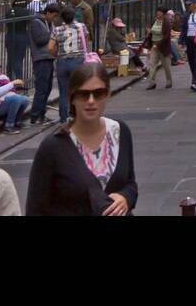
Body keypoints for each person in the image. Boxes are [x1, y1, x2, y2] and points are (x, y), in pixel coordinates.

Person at [26, 63, 137, 215]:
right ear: (72, 97)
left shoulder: (120, 132)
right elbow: (35, 208)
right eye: (83, 94)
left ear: (108, 94)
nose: (91, 101)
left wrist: (125, 198)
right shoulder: (53, 146)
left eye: (98, 93)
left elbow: (130, 183)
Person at [50, 6, 87, 124]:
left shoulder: (56, 29)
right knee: (78, 90)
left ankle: (63, 118)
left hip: (62, 61)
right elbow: (85, 39)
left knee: (64, 92)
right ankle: (77, 114)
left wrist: (57, 54)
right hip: (78, 60)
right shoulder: (81, 27)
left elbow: (50, 47)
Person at [26, 1, 58, 125]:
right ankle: (35, 116)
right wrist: (52, 35)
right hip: (41, 59)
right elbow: (39, 40)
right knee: (41, 88)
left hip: (48, 58)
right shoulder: (36, 22)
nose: (54, 19)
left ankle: (42, 114)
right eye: (54, 16)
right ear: (48, 13)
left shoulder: (49, 24)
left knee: (48, 87)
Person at [145, 5, 175, 90]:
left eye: (160, 12)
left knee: (166, 65)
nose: (158, 13)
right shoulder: (154, 21)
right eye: (157, 11)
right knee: (152, 64)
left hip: (163, 46)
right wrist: (148, 32)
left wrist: (158, 45)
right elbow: (151, 32)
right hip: (154, 45)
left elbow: (166, 36)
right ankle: (152, 82)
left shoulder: (166, 22)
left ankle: (169, 81)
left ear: (163, 13)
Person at [5, 0, 32, 82]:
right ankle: (18, 80)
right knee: (18, 59)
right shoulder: (26, 11)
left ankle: (9, 79)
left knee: (10, 59)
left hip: (10, 36)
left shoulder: (9, 11)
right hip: (21, 36)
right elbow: (29, 24)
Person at [183, 0, 196, 92]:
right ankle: (194, 78)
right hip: (189, 40)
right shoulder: (187, 16)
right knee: (191, 61)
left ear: (195, 5)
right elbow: (183, 29)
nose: (189, 6)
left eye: (190, 4)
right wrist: (180, 41)